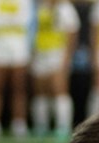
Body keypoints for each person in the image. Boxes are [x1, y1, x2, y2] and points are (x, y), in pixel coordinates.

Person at [0, 0, 34, 137]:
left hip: (19, 47)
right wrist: (11, 20)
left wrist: (4, 20)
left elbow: (26, 20)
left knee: (19, 87)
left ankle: (19, 124)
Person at [30, 0, 81, 135]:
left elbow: (72, 33)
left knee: (59, 89)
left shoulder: (65, 8)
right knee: (40, 90)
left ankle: (63, 127)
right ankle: (41, 126)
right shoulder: (38, 6)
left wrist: (67, 57)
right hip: (40, 51)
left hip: (57, 52)